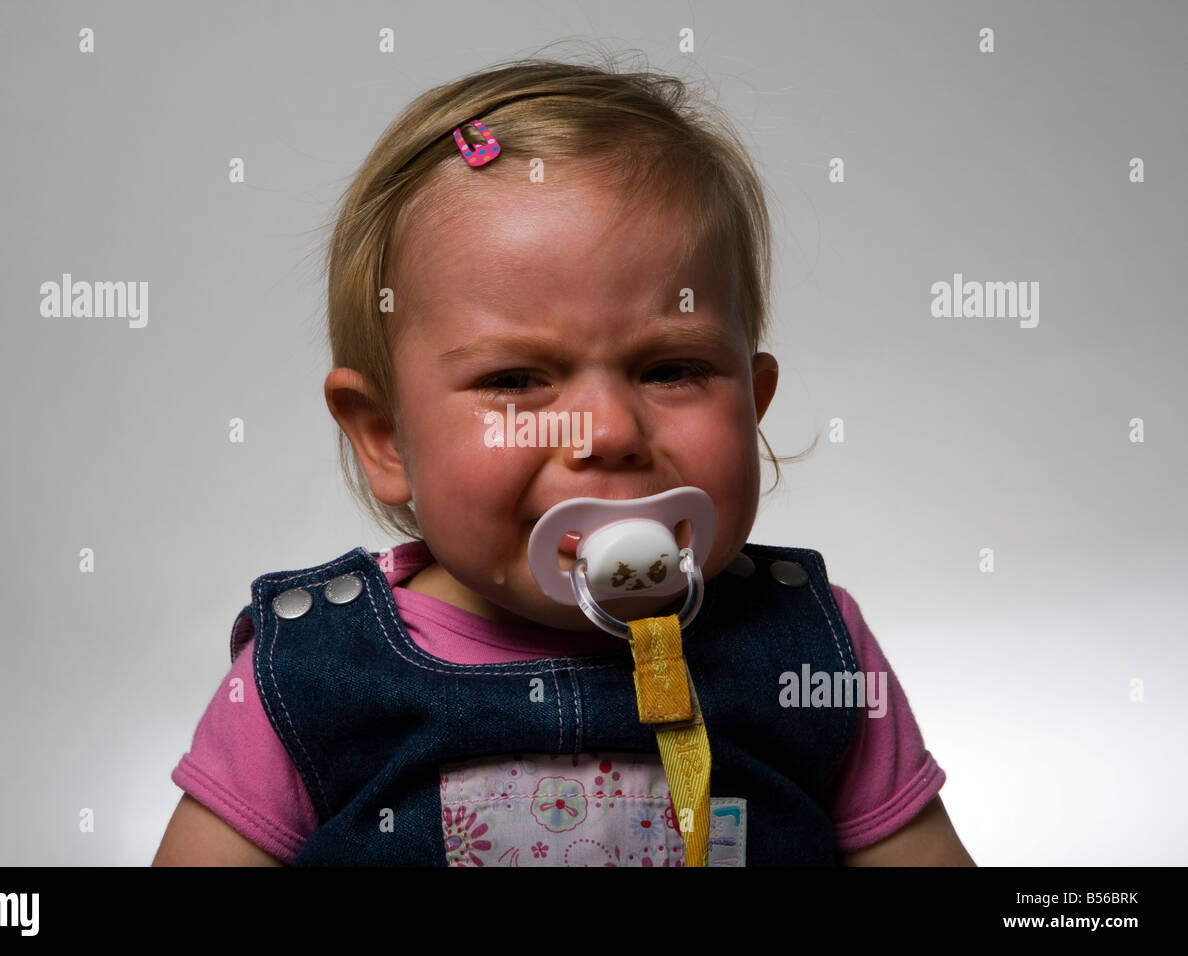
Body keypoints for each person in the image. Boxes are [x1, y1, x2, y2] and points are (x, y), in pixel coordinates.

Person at [154, 53, 974, 867]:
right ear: (384, 437)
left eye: (672, 370)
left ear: (752, 402)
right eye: (515, 379)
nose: (610, 430)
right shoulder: (308, 677)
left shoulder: (811, 649)